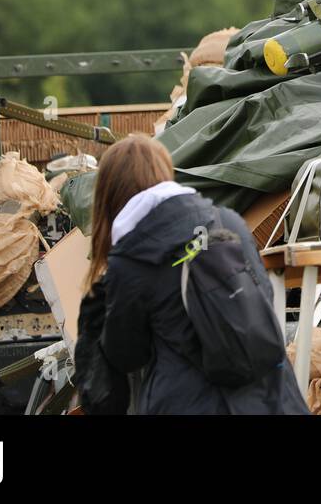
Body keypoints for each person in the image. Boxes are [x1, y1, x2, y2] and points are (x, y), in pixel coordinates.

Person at [79, 135, 308, 414]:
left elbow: (125, 355)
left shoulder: (132, 259)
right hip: (273, 400)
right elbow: (263, 298)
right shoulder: (229, 221)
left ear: (110, 194)